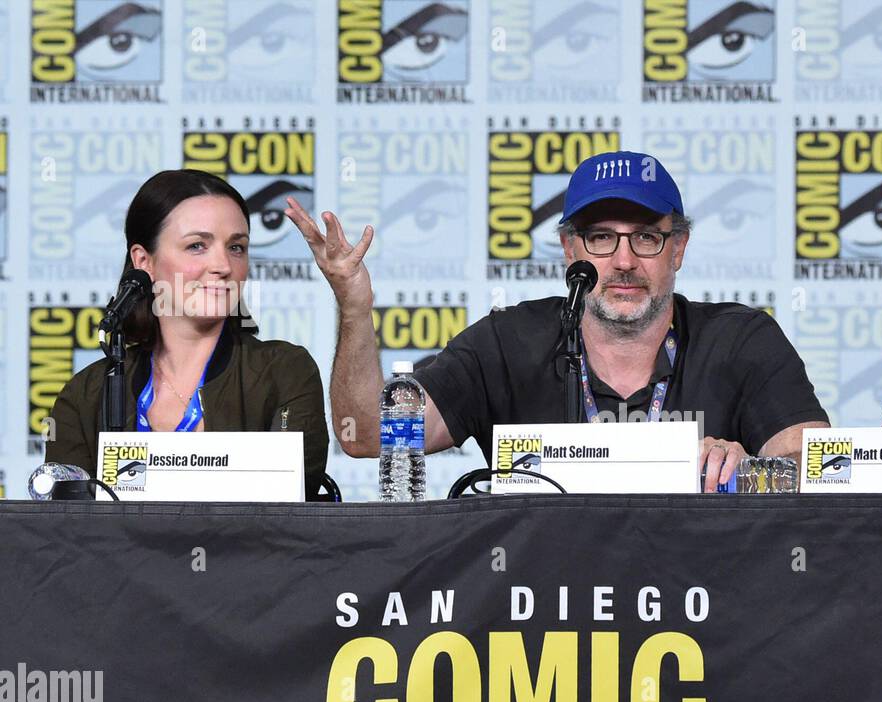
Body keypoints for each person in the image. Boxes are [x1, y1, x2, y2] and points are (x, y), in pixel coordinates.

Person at [288, 150, 828, 490]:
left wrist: (751, 469)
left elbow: (819, 464)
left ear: (678, 248)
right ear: (570, 249)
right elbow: (369, 437)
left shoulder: (740, 339)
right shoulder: (508, 343)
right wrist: (355, 310)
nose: (622, 261)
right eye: (600, 238)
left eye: (645, 237)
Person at [46, 169, 330, 496]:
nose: (223, 266)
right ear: (144, 261)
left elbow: (288, 510)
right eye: (197, 245)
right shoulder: (85, 394)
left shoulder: (284, 371)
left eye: (237, 247)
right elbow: (67, 530)